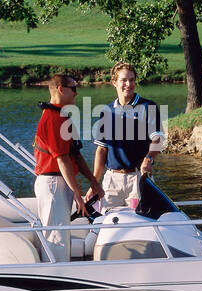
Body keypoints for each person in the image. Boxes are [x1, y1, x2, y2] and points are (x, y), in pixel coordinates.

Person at [33, 74, 103, 260]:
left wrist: (93, 181)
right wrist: (77, 194)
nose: (76, 93)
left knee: (61, 236)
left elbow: (75, 154)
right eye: (73, 88)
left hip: (59, 182)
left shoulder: (61, 117)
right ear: (61, 89)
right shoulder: (53, 119)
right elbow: (62, 160)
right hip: (53, 183)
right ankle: (54, 278)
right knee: (56, 238)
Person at [91, 62, 165, 210]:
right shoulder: (106, 111)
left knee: (139, 224)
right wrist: (93, 184)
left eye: (131, 80)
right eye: (124, 80)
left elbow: (159, 139)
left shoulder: (147, 107)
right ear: (114, 82)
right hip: (111, 181)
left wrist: (148, 158)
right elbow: (101, 150)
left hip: (138, 179)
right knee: (106, 223)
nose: (128, 84)